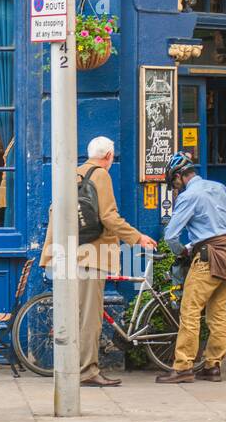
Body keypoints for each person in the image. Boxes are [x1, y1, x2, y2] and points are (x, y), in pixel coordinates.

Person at [40, 137, 157, 387]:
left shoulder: (74, 174)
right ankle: (87, 371)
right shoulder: (100, 175)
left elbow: (54, 211)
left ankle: (75, 367)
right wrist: (138, 238)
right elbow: (109, 217)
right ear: (110, 155)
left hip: (70, 254)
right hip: (91, 257)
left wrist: (51, 251)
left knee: (76, 314)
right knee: (90, 318)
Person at [157, 152, 226, 383]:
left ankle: (183, 366)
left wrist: (183, 251)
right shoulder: (218, 187)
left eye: (173, 182)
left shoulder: (189, 196)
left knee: (190, 311)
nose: (174, 188)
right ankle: (213, 366)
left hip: (208, 258)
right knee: (218, 313)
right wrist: (220, 231)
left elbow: (170, 236)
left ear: (179, 176)